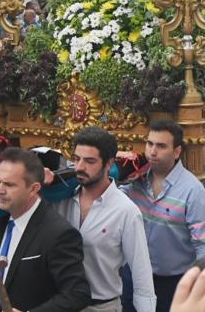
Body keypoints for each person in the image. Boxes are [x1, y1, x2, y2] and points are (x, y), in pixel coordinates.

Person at [0, 146, 91, 311]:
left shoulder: (58, 233)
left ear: (33, 189)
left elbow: (77, 294)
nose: (0, 191)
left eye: (9, 185)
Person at [55, 127, 155, 312]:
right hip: (60, 304)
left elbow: (141, 274)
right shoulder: (61, 200)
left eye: (90, 161)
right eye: (76, 159)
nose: (80, 167)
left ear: (109, 164)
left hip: (102, 306)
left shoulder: (125, 211)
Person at [123, 119, 205, 311]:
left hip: (172, 283)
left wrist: (199, 287)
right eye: (149, 144)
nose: (152, 152)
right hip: (134, 276)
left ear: (176, 152)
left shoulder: (193, 191)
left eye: (161, 146)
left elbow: (203, 245)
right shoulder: (134, 181)